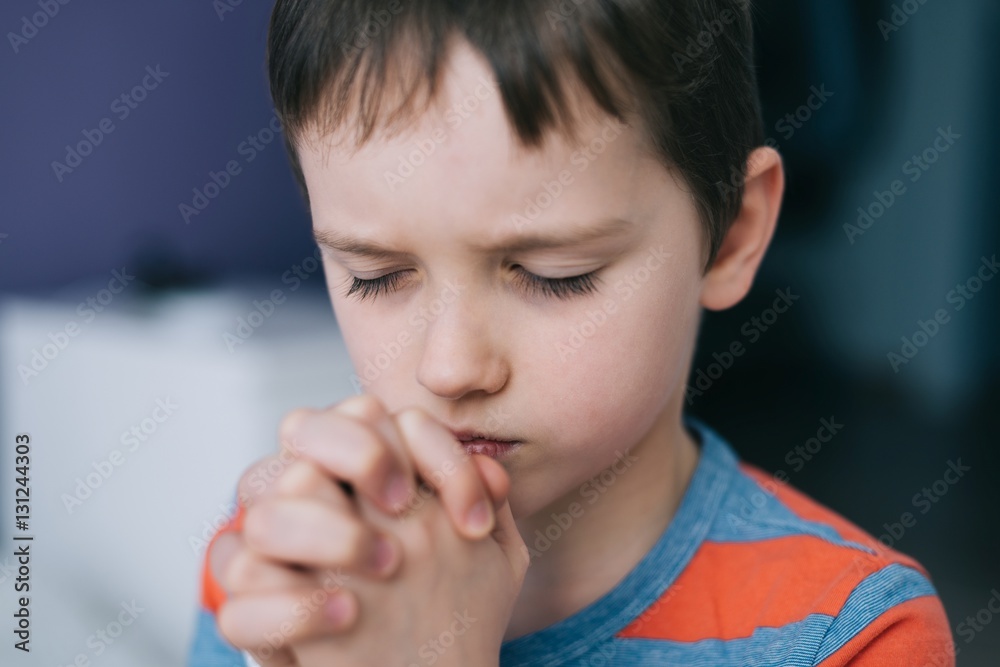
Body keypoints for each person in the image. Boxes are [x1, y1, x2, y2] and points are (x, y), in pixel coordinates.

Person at [189, 1, 955, 665]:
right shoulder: (292, 557)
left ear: (732, 233)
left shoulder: (851, 634)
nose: (451, 367)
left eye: (555, 274)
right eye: (376, 274)